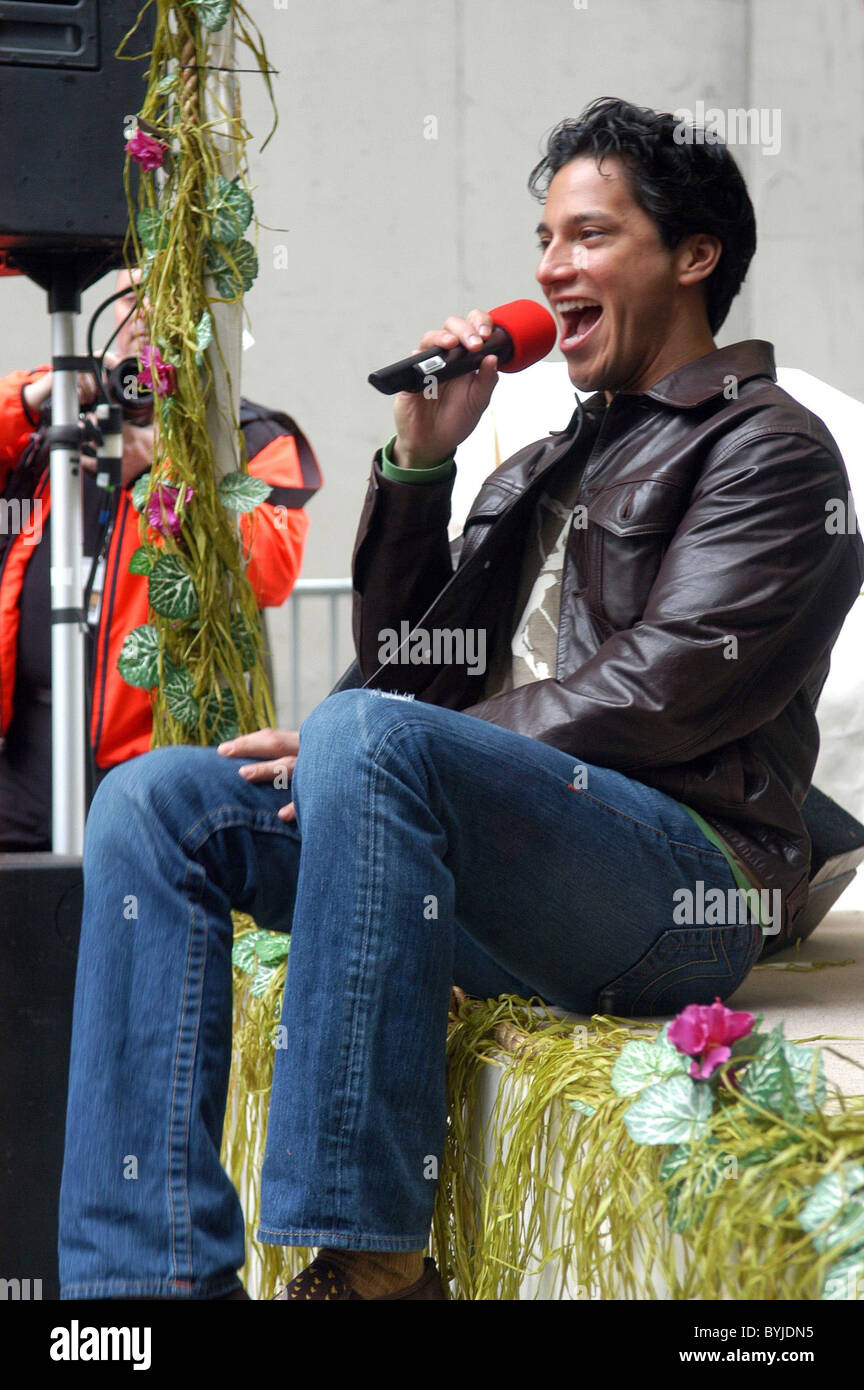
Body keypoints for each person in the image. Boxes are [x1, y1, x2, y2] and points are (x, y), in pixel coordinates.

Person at [58, 97, 863, 1301]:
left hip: (675, 878)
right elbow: (408, 667)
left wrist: (381, 744)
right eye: (544, 239)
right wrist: (422, 465)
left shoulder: (770, 451)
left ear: (694, 256)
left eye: (589, 237)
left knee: (370, 740)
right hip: (491, 856)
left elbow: (666, 691)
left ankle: (371, 1260)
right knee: (158, 801)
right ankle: (147, 1289)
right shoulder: (545, 455)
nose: (550, 267)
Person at [0, 271, 321, 848]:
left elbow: (268, 573)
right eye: (129, 295)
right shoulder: (60, 417)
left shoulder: (247, 436)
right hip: (23, 749)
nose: (144, 310)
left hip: (154, 756)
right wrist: (33, 399)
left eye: (164, 289)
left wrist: (164, 470)